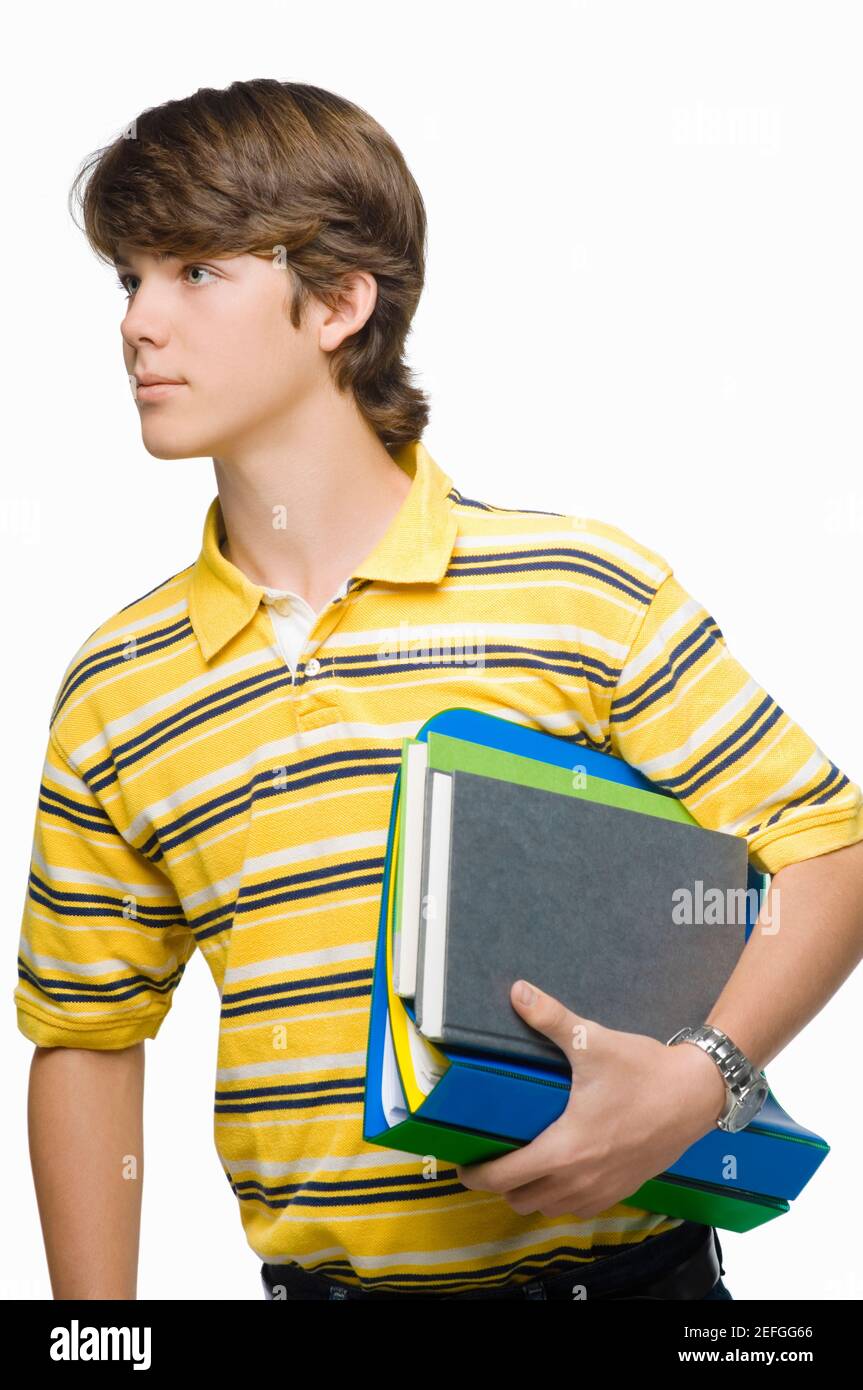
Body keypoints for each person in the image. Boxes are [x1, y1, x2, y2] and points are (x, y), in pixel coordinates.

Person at [15, 79, 863, 1302]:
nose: (140, 321)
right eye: (127, 279)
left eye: (194, 271)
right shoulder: (116, 684)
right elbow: (89, 1038)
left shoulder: (576, 589)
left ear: (340, 301)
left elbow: (826, 850)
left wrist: (697, 1084)